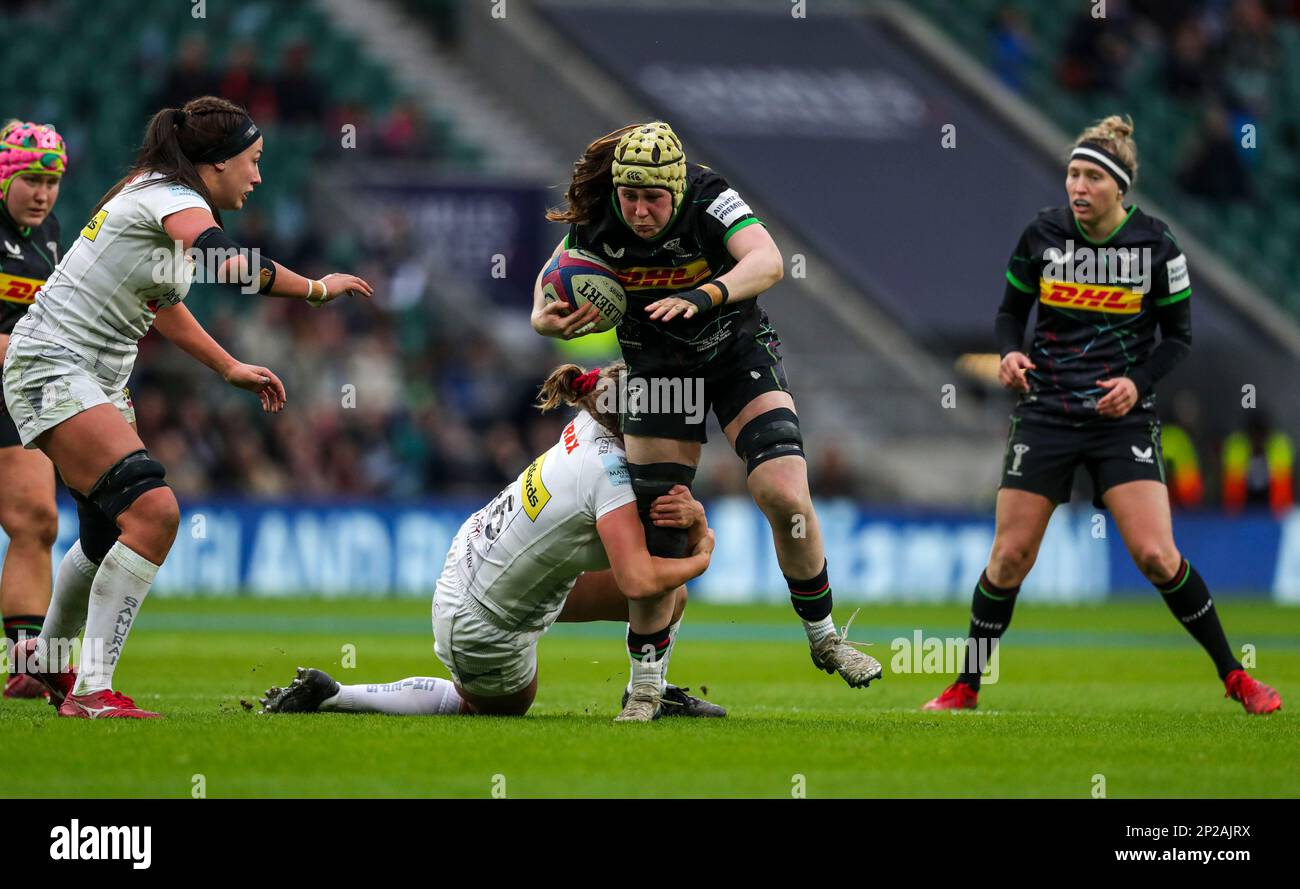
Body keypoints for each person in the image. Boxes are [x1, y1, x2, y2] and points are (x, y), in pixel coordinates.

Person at [7, 96, 373, 718]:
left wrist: (228, 365)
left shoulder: (154, 192)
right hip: (53, 364)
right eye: (252, 162)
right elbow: (227, 263)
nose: (258, 177)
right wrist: (314, 289)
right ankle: (93, 691)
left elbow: (160, 300)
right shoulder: (174, 200)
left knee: (101, 535)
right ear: (217, 163)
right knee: (154, 512)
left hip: (90, 374)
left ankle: (42, 667)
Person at [923, 115, 1281, 715]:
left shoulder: (1158, 247)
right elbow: (1010, 315)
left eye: (1092, 176)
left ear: (1120, 187)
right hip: (1046, 414)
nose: (1077, 187)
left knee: (1157, 557)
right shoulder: (1042, 235)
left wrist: (1136, 383)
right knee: (1009, 557)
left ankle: (1236, 678)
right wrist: (1010, 352)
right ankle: (966, 686)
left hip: (1122, 420)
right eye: (1072, 174)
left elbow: (1178, 339)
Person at [532, 122, 881, 690]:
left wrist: (704, 295)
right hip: (658, 370)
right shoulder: (600, 215)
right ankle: (646, 686)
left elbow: (768, 262)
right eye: (631, 197)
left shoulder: (709, 194)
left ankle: (825, 638)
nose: (640, 211)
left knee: (783, 493)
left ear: (676, 188)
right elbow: (549, 285)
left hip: (735, 353)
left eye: (653, 198)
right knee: (664, 526)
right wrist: (542, 317)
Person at [261, 362, 722, 722]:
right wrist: (702, 554)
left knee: (670, 595)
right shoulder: (610, 476)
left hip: (480, 558)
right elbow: (639, 578)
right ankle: (337, 695)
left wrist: (692, 519)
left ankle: (650, 692)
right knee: (492, 709)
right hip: (482, 618)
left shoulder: (593, 426)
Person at [0, 121, 66, 698]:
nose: (42, 193)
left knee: (38, 522)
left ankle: (24, 662)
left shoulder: (50, 236)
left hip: (15, 396)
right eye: (30, 180)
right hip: (18, 375)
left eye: (52, 181)